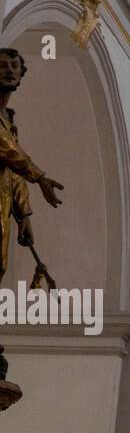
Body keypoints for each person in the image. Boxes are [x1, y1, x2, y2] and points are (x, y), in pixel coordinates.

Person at [0, 48, 63, 286]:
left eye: (14, 67)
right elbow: (7, 149)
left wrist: (24, 212)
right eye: (3, 65)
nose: (9, 71)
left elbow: (12, 171)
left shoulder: (8, 118)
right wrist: (40, 178)